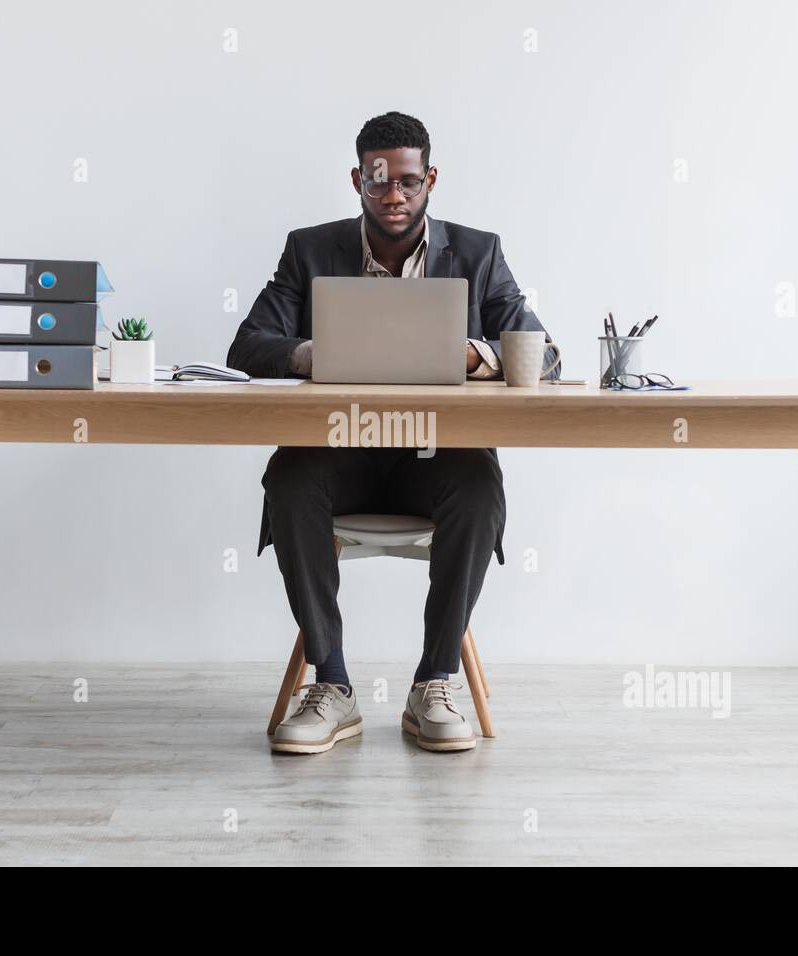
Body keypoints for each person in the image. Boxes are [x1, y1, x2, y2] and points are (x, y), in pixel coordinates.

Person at [227, 111, 559, 754]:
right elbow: (248, 345)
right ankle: (332, 686)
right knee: (289, 477)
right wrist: (310, 356)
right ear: (357, 179)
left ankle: (435, 681)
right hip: (339, 452)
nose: (394, 195)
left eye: (408, 181)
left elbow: (545, 354)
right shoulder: (310, 248)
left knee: (479, 483)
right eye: (378, 181)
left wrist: (474, 356)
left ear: (430, 178)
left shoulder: (478, 251)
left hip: (433, 456)